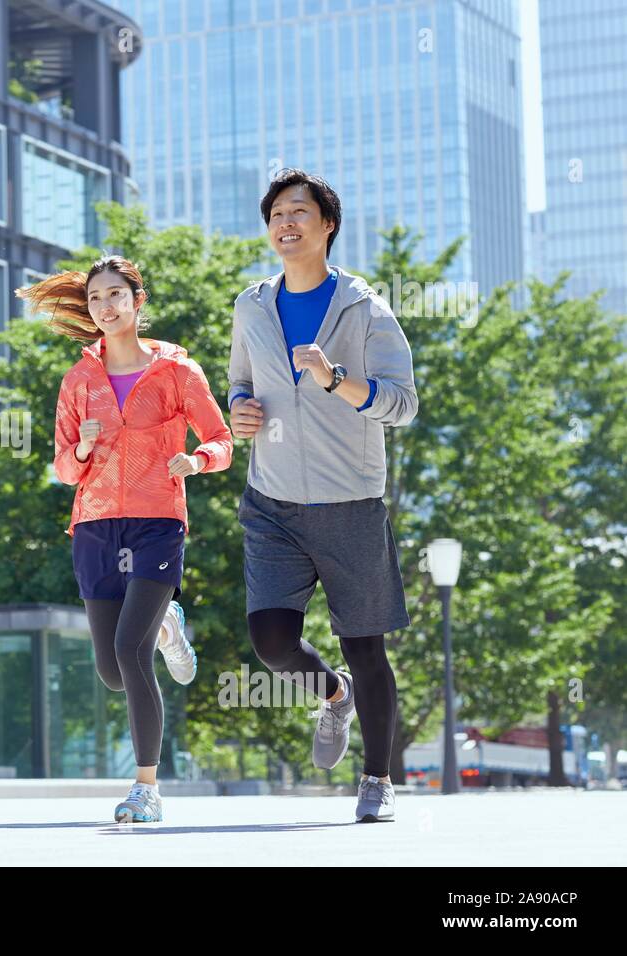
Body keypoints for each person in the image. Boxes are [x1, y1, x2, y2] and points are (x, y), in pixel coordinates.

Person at [227, 169, 418, 822]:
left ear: (327, 224)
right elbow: (240, 381)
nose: (286, 223)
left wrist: (336, 380)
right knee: (272, 641)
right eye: (277, 213)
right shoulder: (251, 305)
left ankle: (378, 779)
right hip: (272, 502)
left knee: (366, 646)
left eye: (299, 212)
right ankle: (331, 695)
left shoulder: (365, 309)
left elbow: (402, 403)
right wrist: (238, 411)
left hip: (350, 503)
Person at [18, 254, 233, 823]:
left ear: (138, 301)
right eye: (95, 298)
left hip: (156, 520)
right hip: (93, 524)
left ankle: (146, 789)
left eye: (116, 295)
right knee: (112, 671)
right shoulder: (78, 379)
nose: (105, 306)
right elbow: (64, 468)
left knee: (129, 653)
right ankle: (168, 622)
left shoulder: (177, 372)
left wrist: (197, 459)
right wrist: (83, 449)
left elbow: (222, 439)